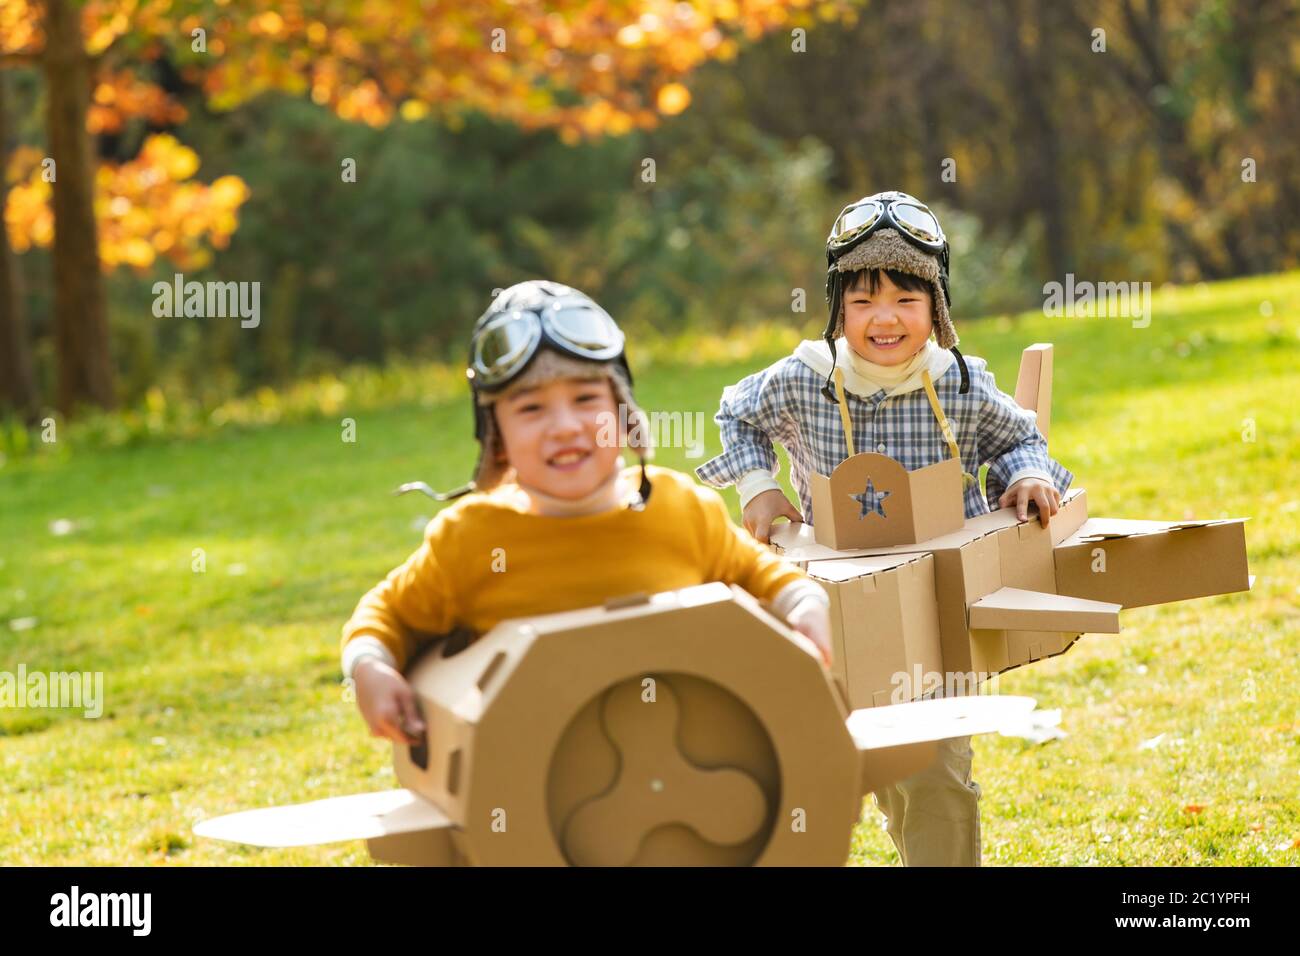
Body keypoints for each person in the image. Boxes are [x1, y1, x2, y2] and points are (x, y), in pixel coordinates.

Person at [695, 190, 1073, 866]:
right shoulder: (804, 380)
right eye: (864, 300)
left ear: (937, 308)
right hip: (832, 612)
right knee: (810, 773)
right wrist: (758, 487)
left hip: (932, 615)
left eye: (906, 299)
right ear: (839, 307)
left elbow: (1018, 439)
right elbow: (736, 414)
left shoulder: (959, 384)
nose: (885, 318)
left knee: (931, 773)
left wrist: (1022, 476)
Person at [341, 279, 832, 746]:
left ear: (624, 415)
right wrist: (370, 665)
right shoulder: (471, 538)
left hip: (684, 771)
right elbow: (388, 615)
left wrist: (804, 605)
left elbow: (760, 573)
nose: (565, 426)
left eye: (585, 399)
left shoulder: (680, 509)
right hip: (532, 798)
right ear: (497, 439)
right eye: (531, 409)